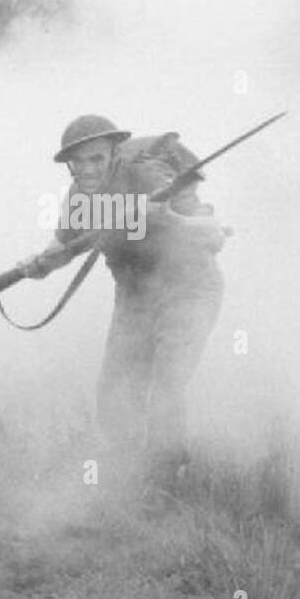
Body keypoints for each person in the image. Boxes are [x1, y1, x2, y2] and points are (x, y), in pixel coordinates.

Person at [17, 115, 226, 483]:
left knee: (167, 383)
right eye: (77, 161)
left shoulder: (148, 178)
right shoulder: (81, 196)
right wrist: (38, 265)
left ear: (114, 154)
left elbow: (213, 236)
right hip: (134, 296)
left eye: (95, 158)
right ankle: (125, 474)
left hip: (188, 287)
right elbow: (67, 244)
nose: (86, 169)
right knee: (115, 394)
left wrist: (165, 220)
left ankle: (167, 481)